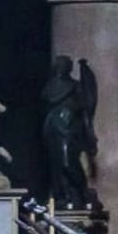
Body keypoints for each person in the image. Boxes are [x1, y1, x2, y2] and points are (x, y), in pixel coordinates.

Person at [39, 56, 97, 208]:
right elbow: (47, 101)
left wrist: (89, 132)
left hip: (69, 128)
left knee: (68, 162)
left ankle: (80, 192)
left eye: (63, 65)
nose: (60, 68)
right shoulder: (50, 86)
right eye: (58, 65)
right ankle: (63, 195)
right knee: (57, 165)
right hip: (53, 128)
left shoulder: (75, 86)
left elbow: (85, 108)